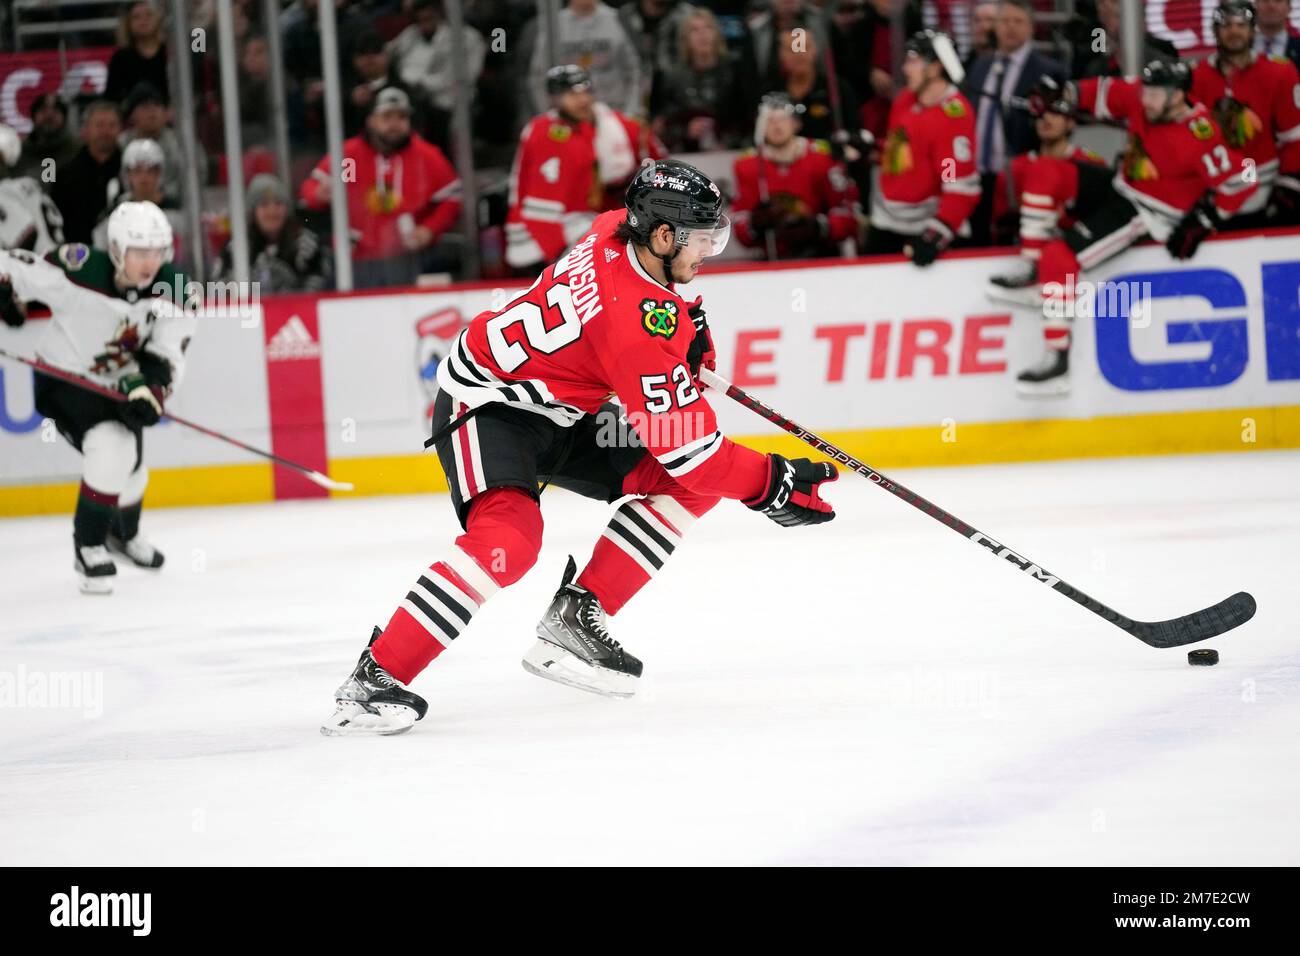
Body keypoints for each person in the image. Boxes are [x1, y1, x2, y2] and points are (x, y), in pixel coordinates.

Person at [320, 159, 840, 735]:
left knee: (686, 488)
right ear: (664, 235)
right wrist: (772, 484)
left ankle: (573, 619)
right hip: (489, 406)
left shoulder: (617, 226)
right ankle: (374, 678)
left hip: (565, 410)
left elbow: (659, 317)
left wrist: (690, 335)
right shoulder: (633, 329)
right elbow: (691, 449)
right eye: (700, 239)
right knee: (510, 542)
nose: (707, 252)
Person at [987, 61, 1257, 395]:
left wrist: (1204, 220)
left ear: (1178, 96)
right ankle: (1030, 268)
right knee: (1047, 169)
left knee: (1058, 257)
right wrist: (1062, 93)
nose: (1146, 100)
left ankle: (1057, 362)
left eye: (1156, 94)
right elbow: (1100, 91)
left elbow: (1242, 182)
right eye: (1147, 91)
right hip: (1122, 187)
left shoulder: (1200, 133)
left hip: (1149, 213)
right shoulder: (1141, 96)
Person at [0, 202, 197, 593]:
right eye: (140, 253)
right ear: (119, 249)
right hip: (65, 379)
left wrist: (153, 387)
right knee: (114, 448)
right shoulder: (81, 269)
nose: (149, 263)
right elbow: (15, 269)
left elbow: (169, 350)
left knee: (134, 470)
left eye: (157, 252)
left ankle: (123, 535)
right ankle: (88, 546)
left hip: (118, 383)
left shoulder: (173, 287)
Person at [299, 87, 461, 288]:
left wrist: (429, 229)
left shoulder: (427, 157)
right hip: (356, 260)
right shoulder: (349, 156)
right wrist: (319, 194)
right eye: (387, 117)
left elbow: (452, 197)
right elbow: (311, 187)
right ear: (371, 120)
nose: (394, 124)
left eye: (401, 117)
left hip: (409, 260)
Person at [984, 77, 1110, 318]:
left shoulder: (1091, 166)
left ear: (1072, 122)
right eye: (1041, 112)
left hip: (1080, 265)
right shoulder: (1014, 170)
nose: (1046, 119)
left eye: (1056, 112)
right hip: (1025, 270)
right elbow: (998, 229)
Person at [865, 30, 980, 266]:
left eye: (913, 61)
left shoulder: (952, 115)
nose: (906, 69)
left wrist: (938, 233)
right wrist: (867, 147)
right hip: (886, 223)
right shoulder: (906, 100)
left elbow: (958, 184)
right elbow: (901, 149)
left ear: (936, 67)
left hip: (924, 228)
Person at [1191, 1, 1300, 228]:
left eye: (1241, 25)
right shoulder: (1196, 77)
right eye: (1226, 25)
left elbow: (1294, 138)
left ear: (1253, 29)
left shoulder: (1280, 72)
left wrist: (1289, 186)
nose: (1234, 32)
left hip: (1264, 186)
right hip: (1214, 191)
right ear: (1214, 32)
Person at [731, 94, 861, 259]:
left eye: (783, 118)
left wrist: (818, 228)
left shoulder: (823, 156)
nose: (776, 125)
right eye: (769, 120)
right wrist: (755, 224)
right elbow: (740, 225)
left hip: (821, 256)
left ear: (796, 122)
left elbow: (847, 212)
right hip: (772, 259)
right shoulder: (746, 165)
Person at [649, 7, 751, 151]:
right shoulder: (671, 77)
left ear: (717, 34)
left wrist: (723, 136)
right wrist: (686, 131)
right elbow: (661, 125)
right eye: (695, 30)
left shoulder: (735, 72)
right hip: (684, 154)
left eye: (708, 28)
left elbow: (746, 120)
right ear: (685, 39)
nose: (702, 35)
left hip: (729, 152)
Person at [386, 0, 485, 143]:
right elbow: (387, 53)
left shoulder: (467, 37)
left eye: (429, 16)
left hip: (451, 101)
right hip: (414, 98)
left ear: (439, 12)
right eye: (420, 18)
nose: (424, 22)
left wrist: (423, 82)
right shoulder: (410, 35)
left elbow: (466, 76)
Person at [215, 173, 330, 292]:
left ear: (287, 209)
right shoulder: (236, 248)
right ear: (253, 212)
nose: (272, 211)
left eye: (278, 204)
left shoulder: (306, 246)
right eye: (264, 205)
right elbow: (219, 288)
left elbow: (320, 289)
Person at [527, 0, 642, 117]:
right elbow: (539, 75)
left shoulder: (620, 19)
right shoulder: (554, 25)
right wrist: (549, 115)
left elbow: (636, 70)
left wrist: (630, 112)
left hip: (614, 111)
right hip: (568, 117)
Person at [51, 101, 124, 245]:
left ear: (120, 129)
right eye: (99, 125)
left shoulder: (131, 171)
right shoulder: (65, 175)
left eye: (112, 125)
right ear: (86, 130)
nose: (106, 132)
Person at [0, 125, 66, 254]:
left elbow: (25, 239)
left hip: (35, 266)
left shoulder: (4, 192)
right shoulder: (28, 185)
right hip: (57, 260)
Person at [104, 1, 170, 106]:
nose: (143, 21)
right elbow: (111, 97)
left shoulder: (170, 54)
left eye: (148, 15)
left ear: (157, 20)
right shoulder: (120, 58)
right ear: (128, 24)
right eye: (136, 17)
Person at [13, 94, 80, 183]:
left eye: (55, 111)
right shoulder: (18, 152)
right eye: (43, 110)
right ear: (34, 116)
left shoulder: (77, 152)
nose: (49, 115)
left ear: (64, 118)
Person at [1253, 0, 1300, 68]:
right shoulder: (1240, 46)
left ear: (1289, 8)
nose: (1271, 6)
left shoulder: (1297, 49)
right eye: (1265, 1)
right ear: (1256, 5)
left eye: (1278, 1)